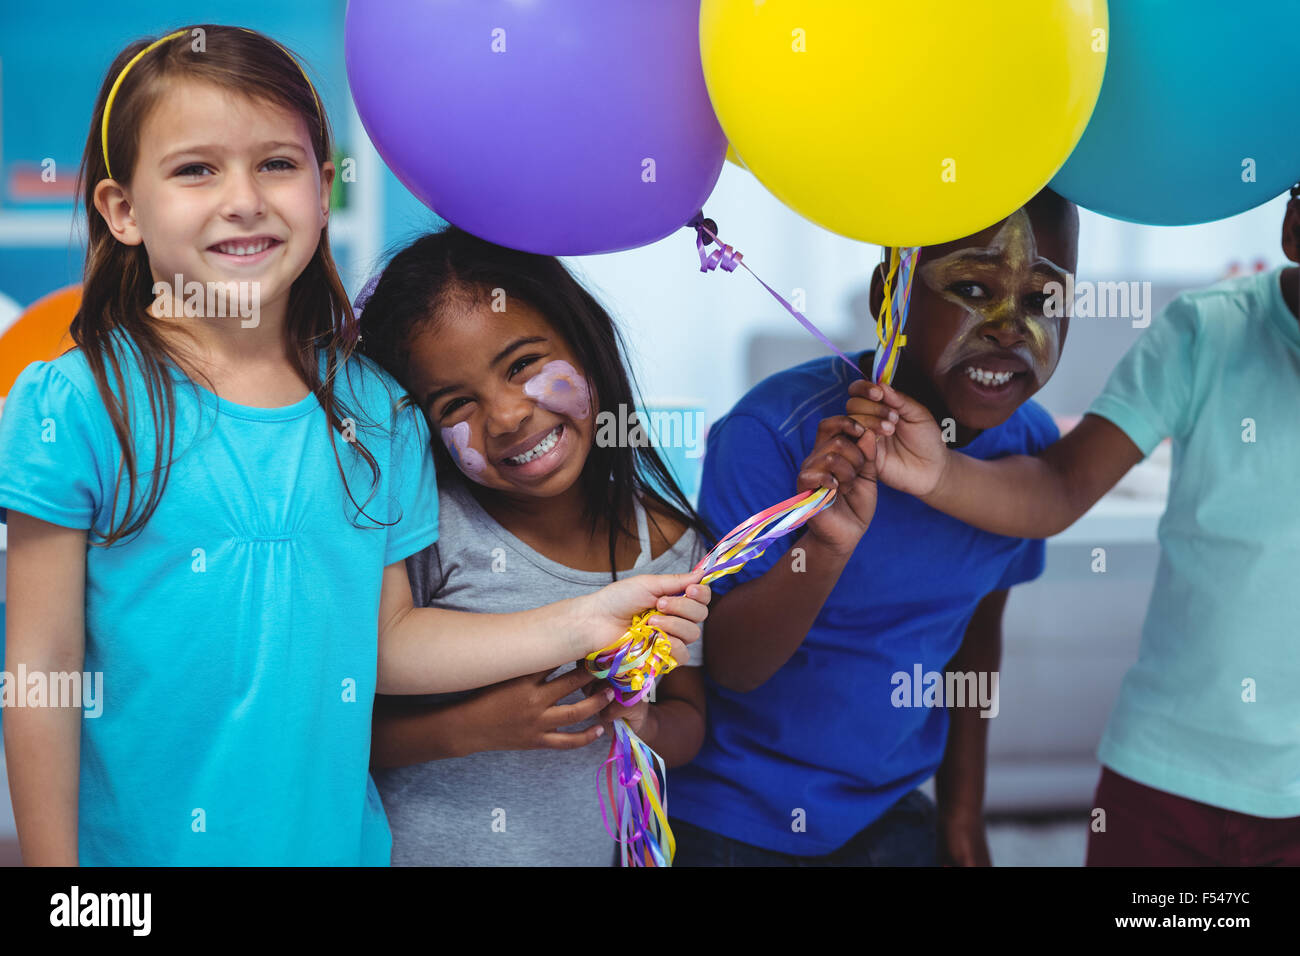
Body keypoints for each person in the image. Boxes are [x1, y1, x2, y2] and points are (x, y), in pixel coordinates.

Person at [0, 27, 707, 866]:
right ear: (121, 210)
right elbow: (41, 667)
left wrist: (581, 619)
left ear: (324, 186)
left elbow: (391, 645)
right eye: (197, 169)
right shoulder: (76, 404)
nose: (244, 199)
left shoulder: (379, 414)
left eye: (277, 164)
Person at [850, 184, 1300, 866]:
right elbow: (1060, 486)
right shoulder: (1209, 331)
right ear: (1293, 222)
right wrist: (937, 472)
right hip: (1162, 781)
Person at [669, 189, 1080, 866]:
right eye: (973, 287)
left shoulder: (1025, 451)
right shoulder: (769, 433)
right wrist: (825, 542)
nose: (1011, 327)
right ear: (890, 292)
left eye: (1042, 300)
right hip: (728, 816)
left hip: (885, 810)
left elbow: (975, 638)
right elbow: (731, 668)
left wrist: (962, 819)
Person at [359, 228, 710, 866]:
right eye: (456, 403)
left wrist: (647, 727)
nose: (506, 416)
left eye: (521, 365)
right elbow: (339, 730)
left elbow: (688, 718)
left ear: (585, 339)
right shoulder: (427, 534)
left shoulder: (669, 547)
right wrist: (473, 728)